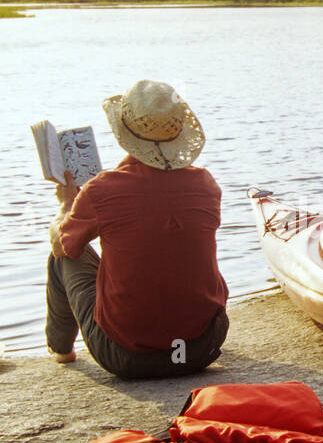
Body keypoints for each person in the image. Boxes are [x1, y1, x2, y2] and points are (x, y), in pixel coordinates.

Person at [45, 80, 229, 378]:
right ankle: (179, 338)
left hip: (127, 357)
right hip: (199, 350)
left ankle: (61, 349)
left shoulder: (102, 190)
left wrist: (66, 206)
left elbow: (62, 245)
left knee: (63, 255)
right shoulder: (205, 184)